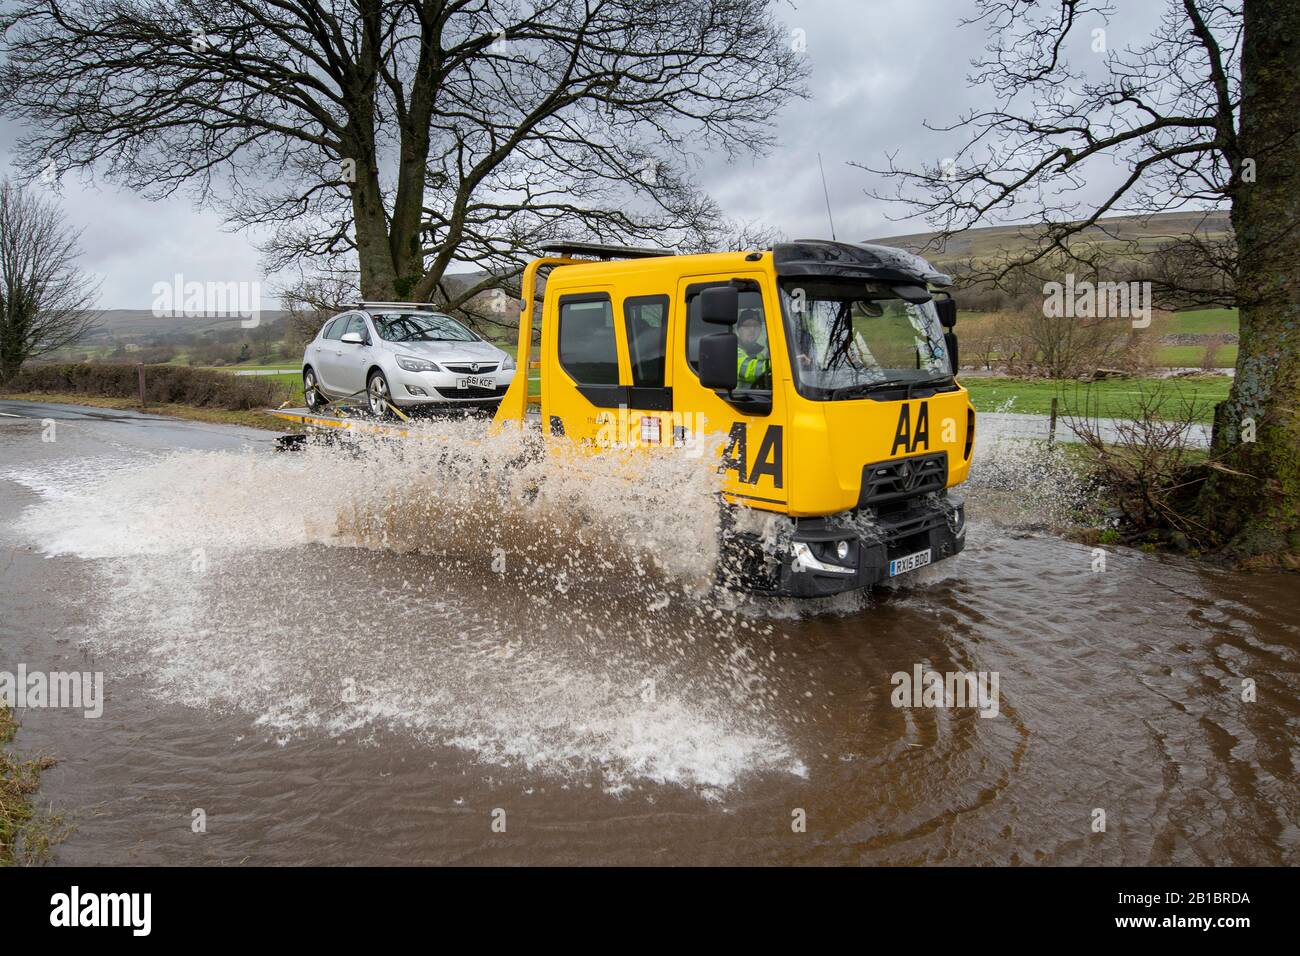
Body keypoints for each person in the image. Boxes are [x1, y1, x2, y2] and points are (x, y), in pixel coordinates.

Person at [736, 310, 771, 388]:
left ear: (760, 331)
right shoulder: (731, 350)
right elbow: (748, 370)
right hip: (734, 399)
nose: (752, 330)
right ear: (739, 330)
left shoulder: (760, 356)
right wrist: (779, 365)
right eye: (747, 325)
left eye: (756, 326)